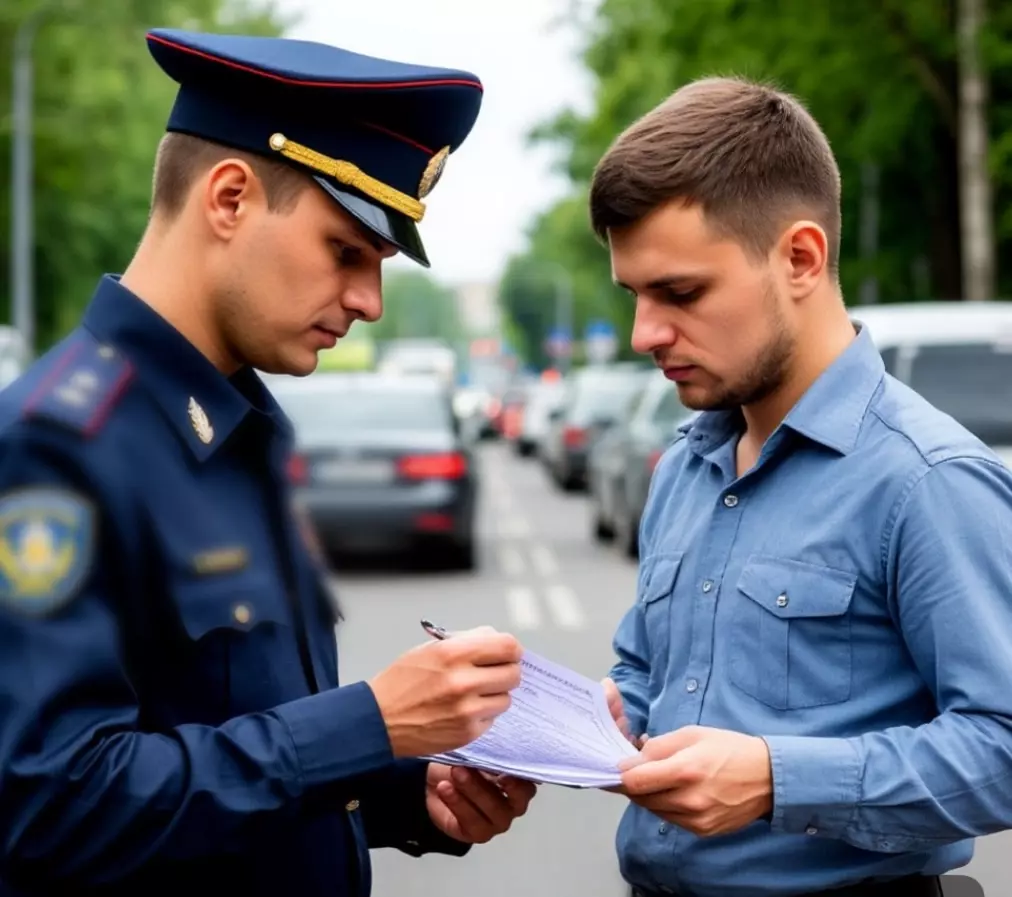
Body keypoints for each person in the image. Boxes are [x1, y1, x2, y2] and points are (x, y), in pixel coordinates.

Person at [0, 28, 535, 897]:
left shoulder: (239, 428)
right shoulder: (56, 443)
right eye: (346, 250)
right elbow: (49, 805)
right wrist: (366, 724)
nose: (368, 300)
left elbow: (233, 739)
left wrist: (402, 784)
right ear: (229, 198)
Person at [594, 76, 1012, 897]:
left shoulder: (926, 478)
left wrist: (779, 777)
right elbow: (648, 671)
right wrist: (591, 716)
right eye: (634, 296)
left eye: (680, 292)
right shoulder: (687, 460)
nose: (646, 333)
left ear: (801, 258)